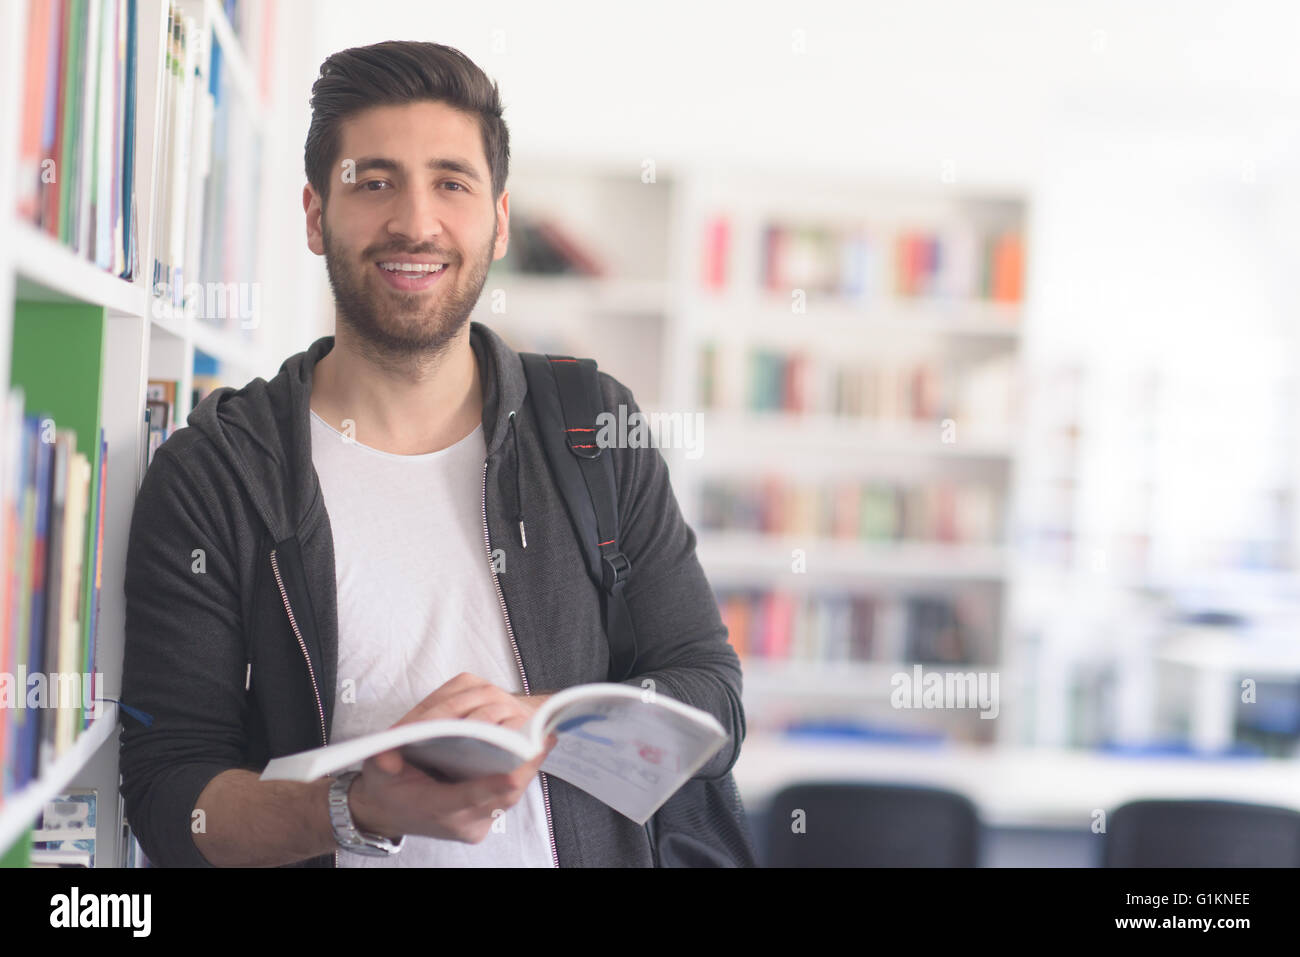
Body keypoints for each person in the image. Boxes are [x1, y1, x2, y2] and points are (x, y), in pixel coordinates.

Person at [118, 40, 745, 867]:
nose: (416, 221)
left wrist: (537, 719)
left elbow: (712, 697)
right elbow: (171, 797)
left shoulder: (593, 426)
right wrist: (355, 805)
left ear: (499, 220)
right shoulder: (217, 471)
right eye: (373, 182)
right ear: (315, 215)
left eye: (451, 182)